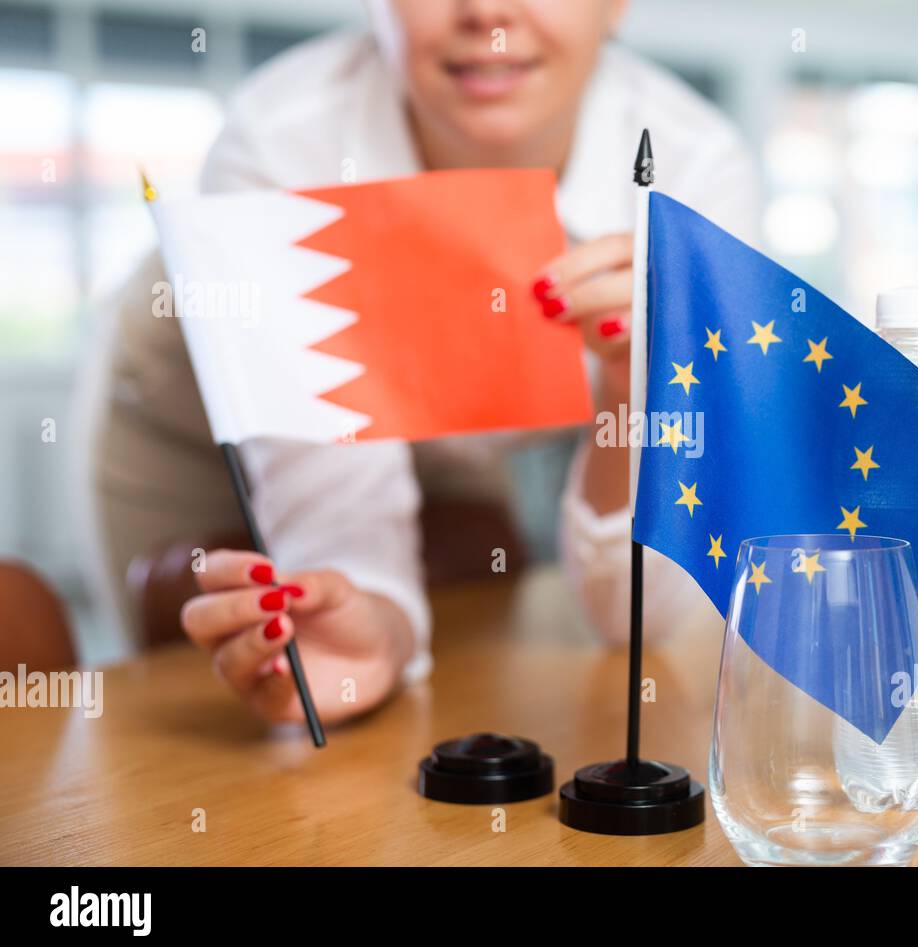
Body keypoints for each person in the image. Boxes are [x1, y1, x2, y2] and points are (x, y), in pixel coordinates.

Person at [88, 0, 760, 726]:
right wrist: (371, 630)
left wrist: (632, 388)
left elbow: (638, 618)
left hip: (452, 422)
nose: (487, 11)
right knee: (186, 650)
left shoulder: (697, 167)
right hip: (185, 420)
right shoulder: (284, 139)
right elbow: (337, 513)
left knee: (475, 587)